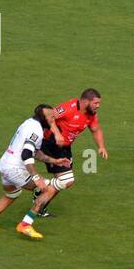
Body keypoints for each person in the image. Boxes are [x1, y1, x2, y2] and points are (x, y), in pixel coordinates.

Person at [0, 105, 71, 240]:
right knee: (49, 189)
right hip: (14, 168)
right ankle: (25, 224)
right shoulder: (36, 131)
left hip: (4, 164)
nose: (53, 120)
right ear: (43, 118)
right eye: (51, 117)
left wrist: (55, 161)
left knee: (11, 194)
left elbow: (36, 153)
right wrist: (36, 177)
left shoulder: (28, 123)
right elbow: (26, 155)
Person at [35, 88, 108, 216]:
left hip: (65, 148)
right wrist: (57, 134)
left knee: (62, 182)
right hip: (51, 144)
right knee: (66, 180)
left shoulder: (91, 115)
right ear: (86, 102)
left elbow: (96, 129)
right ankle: (41, 190)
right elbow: (47, 117)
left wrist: (101, 147)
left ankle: (40, 206)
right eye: (96, 103)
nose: (98, 106)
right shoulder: (68, 108)